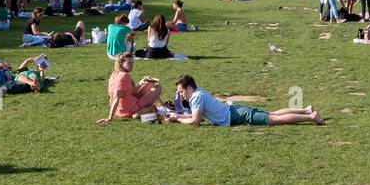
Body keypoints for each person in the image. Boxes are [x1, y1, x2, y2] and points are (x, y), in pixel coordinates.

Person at [170, 75, 325, 126]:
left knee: (274, 119)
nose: (181, 94)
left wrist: (178, 119)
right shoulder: (198, 92)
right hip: (235, 111)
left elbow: (195, 120)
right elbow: (195, 116)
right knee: (273, 114)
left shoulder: (196, 97)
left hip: (237, 115)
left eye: (181, 91)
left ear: (189, 88)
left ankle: (311, 117)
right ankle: (306, 110)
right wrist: (176, 116)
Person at [100, 55, 162, 123]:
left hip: (121, 109)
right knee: (157, 87)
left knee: (150, 84)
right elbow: (116, 98)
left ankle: (160, 107)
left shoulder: (115, 73)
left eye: (132, 62)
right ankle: (154, 108)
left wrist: (141, 83)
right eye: (129, 63)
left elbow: (129, 92)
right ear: (121, 63)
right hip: (131, 107)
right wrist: (109, 118)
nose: (132, 65)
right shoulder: (124, 76)